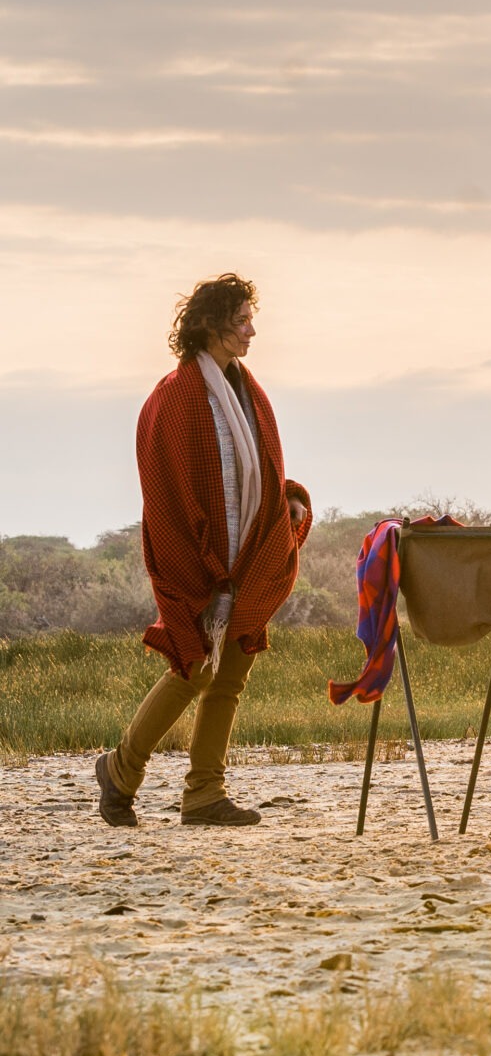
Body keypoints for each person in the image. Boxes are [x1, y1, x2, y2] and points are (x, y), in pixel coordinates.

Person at [93, 275, 312, 827]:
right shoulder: (174, 397)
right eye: (242, 320)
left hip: (247, 558)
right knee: (191, 668)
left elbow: (261, 473)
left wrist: (285, 502)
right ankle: (121, 770)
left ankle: (204, 795)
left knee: (229, 678)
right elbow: (164, 494)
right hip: (201, 563)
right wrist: (205, 570)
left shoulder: (248, 390)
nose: (252, 330)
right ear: (212, 326)